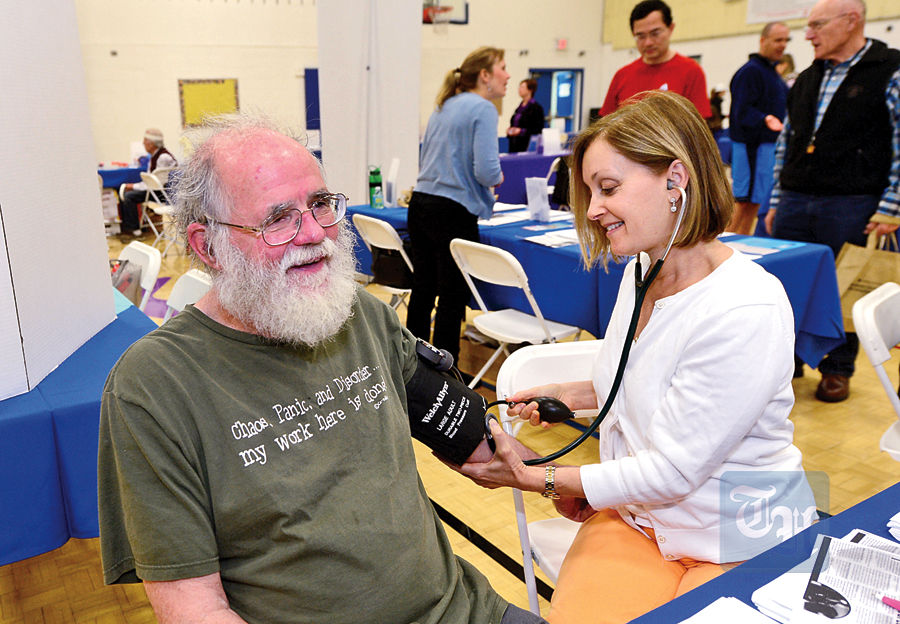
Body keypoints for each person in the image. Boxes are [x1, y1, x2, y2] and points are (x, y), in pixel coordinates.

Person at [97, 113, 547, 624]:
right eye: (279, 219)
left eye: (319, 205)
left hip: (464, 612)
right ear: (207, 246)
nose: (314, 234)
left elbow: (476, 447)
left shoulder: (361, 314)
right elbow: (193, 609)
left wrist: (581, 486)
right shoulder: (153, 388)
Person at [451, 92, 816, 624]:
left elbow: (672, 468)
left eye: (609, 188)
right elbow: (647, 383)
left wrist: (544, 478)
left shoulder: (745, 305)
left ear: (675, 178)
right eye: (591, 192)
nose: (594, 209)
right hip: (644, 519)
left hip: (741, 527)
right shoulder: (640, 269)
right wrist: (572, 396)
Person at [765, 0, 900, 402]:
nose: (807, 35)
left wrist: (892, 204)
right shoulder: (806, 77)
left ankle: (837, 367)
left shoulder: (889, 70)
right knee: (785, 285)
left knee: (843, 288)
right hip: (794, 198)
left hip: (853, 201)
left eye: (817, 25)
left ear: (851, 20)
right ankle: (787, 359)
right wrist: (775, 199)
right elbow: (785, 143)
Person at [406, 46, 508, 369]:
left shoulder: (443, 105)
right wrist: (500, 176)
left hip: (420, 205)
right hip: (452, 213)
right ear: (485, 76)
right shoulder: (483, 108)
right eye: (503, 68)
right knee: (451, 300)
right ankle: (446, 376)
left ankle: (411, 366)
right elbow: (487, 171)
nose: (508, 75)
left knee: (422, 292)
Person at [727, 22, 792, 235]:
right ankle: (724, 245)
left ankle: (741, 245)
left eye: (786, 40)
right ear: (763, 41)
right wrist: (766, 119)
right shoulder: (750, 72)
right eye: (777, 40)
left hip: (767, 147)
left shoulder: (772, 74)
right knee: (743, 201)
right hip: (750, 147)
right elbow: (741, 111)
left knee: (756, 201)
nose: (782, 45)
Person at [598, 0, 711, 119]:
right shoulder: (622, 75)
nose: (648, 42)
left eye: (655, 33)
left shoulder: (691, 71)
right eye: (640, 36)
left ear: (671, 28)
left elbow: (699, 126)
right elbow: (606, 124)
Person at [118, 128, 177, 239]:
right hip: (156, 190)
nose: (143, 143)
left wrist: (132, 186)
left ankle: (135, 231)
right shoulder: (155, 156)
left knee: (129, 196)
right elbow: (151, 182)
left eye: (145, 141)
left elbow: (155, 183)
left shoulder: (163, 157)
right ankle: (130, 228)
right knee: (127, 192)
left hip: (163, 194)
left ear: (151, 144)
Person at [507, 78, 545, 152]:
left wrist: (520, 131)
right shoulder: (519, 107)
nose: (519, 89)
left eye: (522, 87)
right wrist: (510, 130)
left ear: (530, 90)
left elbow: (538, 129)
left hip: (527, 145)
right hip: (514, 144)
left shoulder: (536, 108)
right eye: (519, 87)